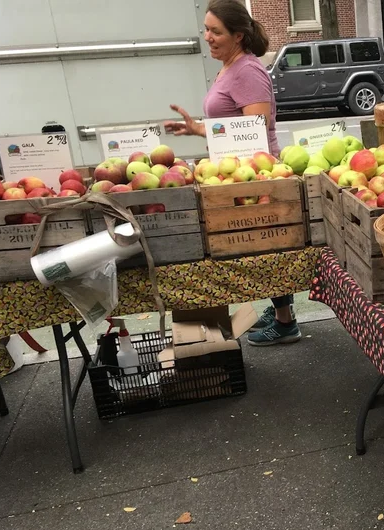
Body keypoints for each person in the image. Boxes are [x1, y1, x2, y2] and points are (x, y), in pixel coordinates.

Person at [163, 0, 300, 346]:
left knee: (262, 248)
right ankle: (281, 310)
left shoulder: (248, 71)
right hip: (233, 173)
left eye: (215, 31)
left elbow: (255, 126)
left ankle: (285, 323)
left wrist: (210, 136)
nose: (207, 36)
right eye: (206, 29)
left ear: (238, 36)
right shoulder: (229, 66)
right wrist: (198, 130)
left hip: (254, 173)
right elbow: (230, 124)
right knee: (258, 246)